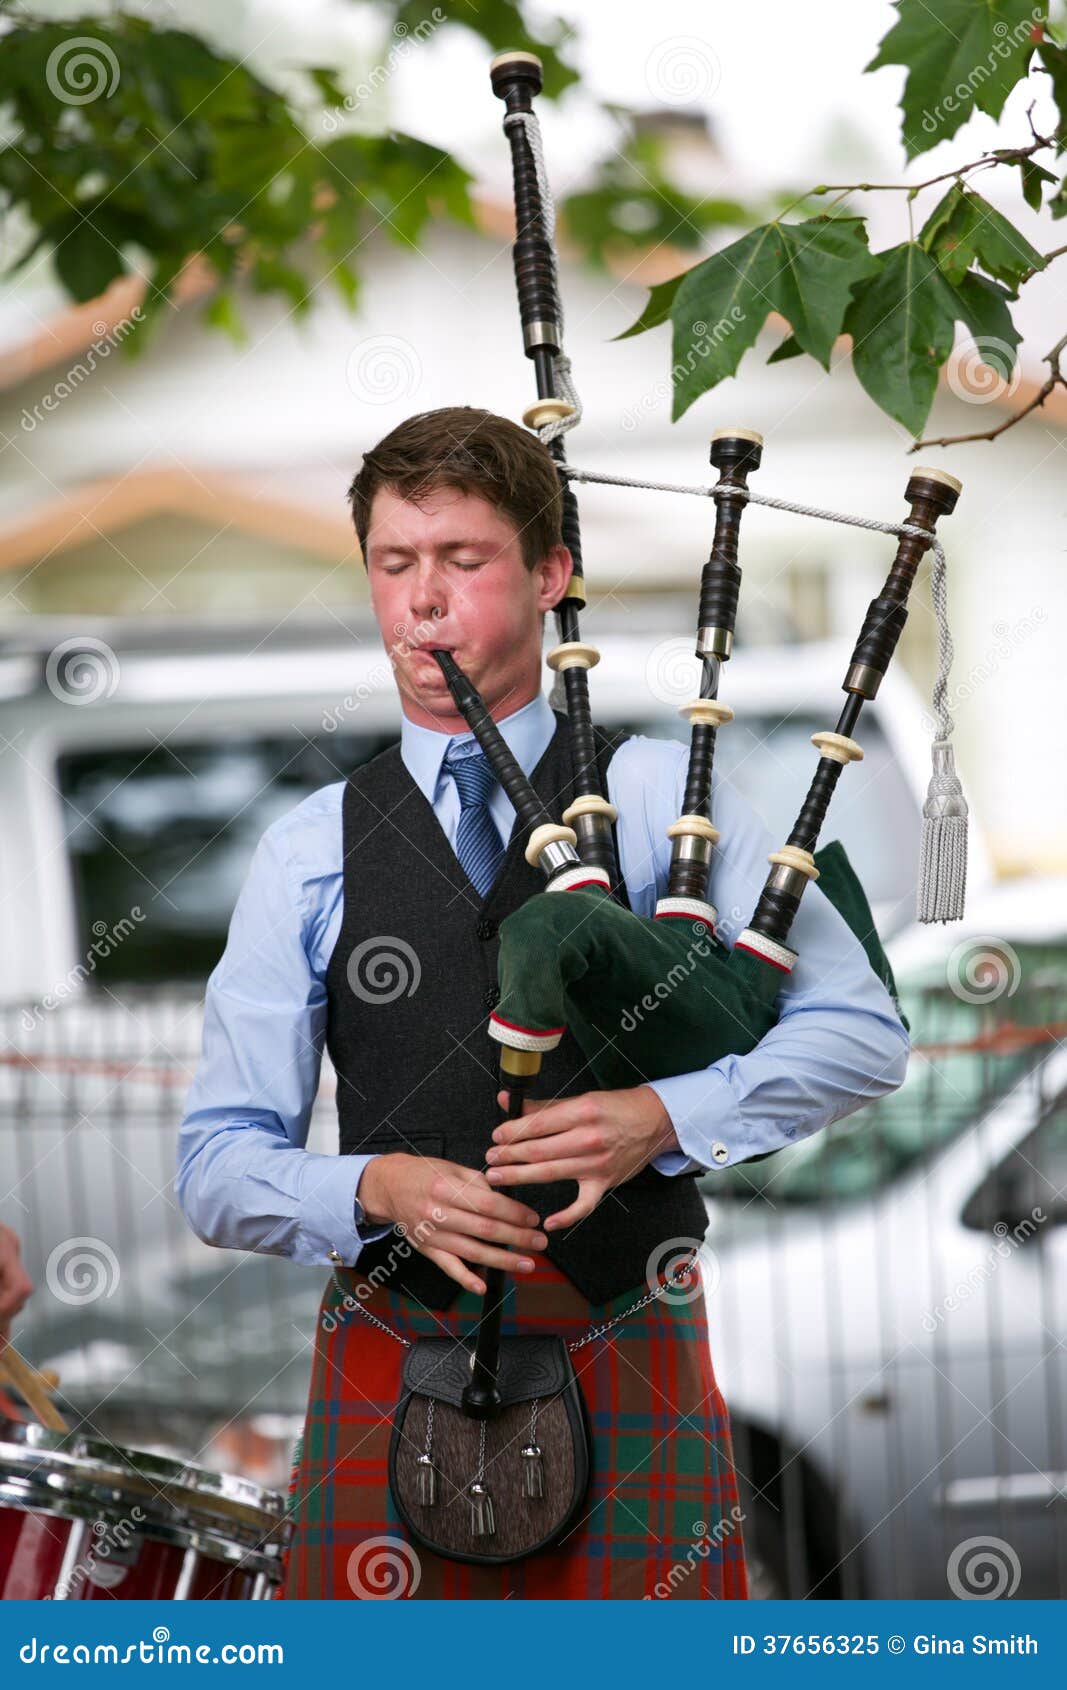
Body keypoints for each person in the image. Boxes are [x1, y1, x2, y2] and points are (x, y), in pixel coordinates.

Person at [177, 406, 910, 1600]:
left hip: (626, 1332)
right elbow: (213, 1162)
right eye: (394, 565)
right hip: (387, 1348)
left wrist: (659, 1118)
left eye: (462, 563)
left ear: (549, 572)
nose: (423, 604)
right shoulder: (307, 850)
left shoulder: (680, 797)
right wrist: (375, 1186)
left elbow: (858, 1031)